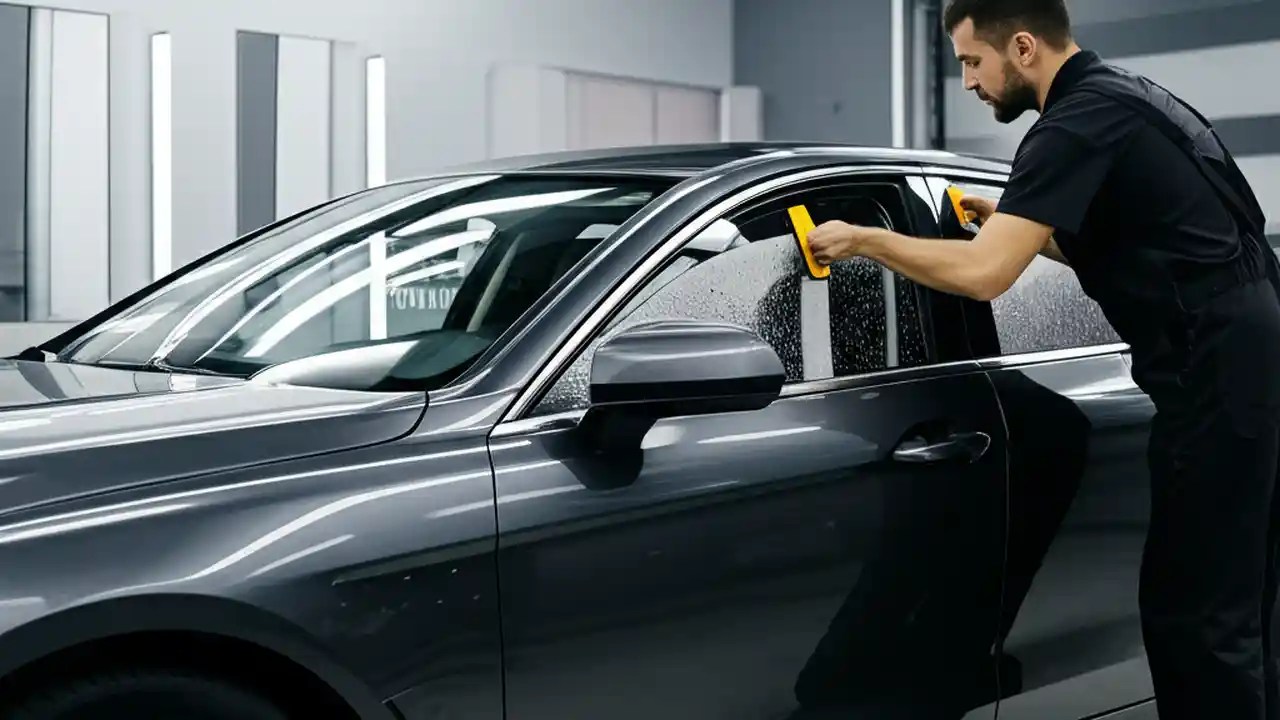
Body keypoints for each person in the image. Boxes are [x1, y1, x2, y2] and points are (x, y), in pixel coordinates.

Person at [805, 1, 1280, 718]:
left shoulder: (1070, 127)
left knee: (1198, 619)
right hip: (1250, 360)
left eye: (972, 61)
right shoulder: (1129, 99)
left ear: (1022, 47)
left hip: (1217, 377)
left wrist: (864, 241)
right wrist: (1018, 227)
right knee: (1241, 611)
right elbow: (1144, 239)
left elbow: (983, 277)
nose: (967, 82)